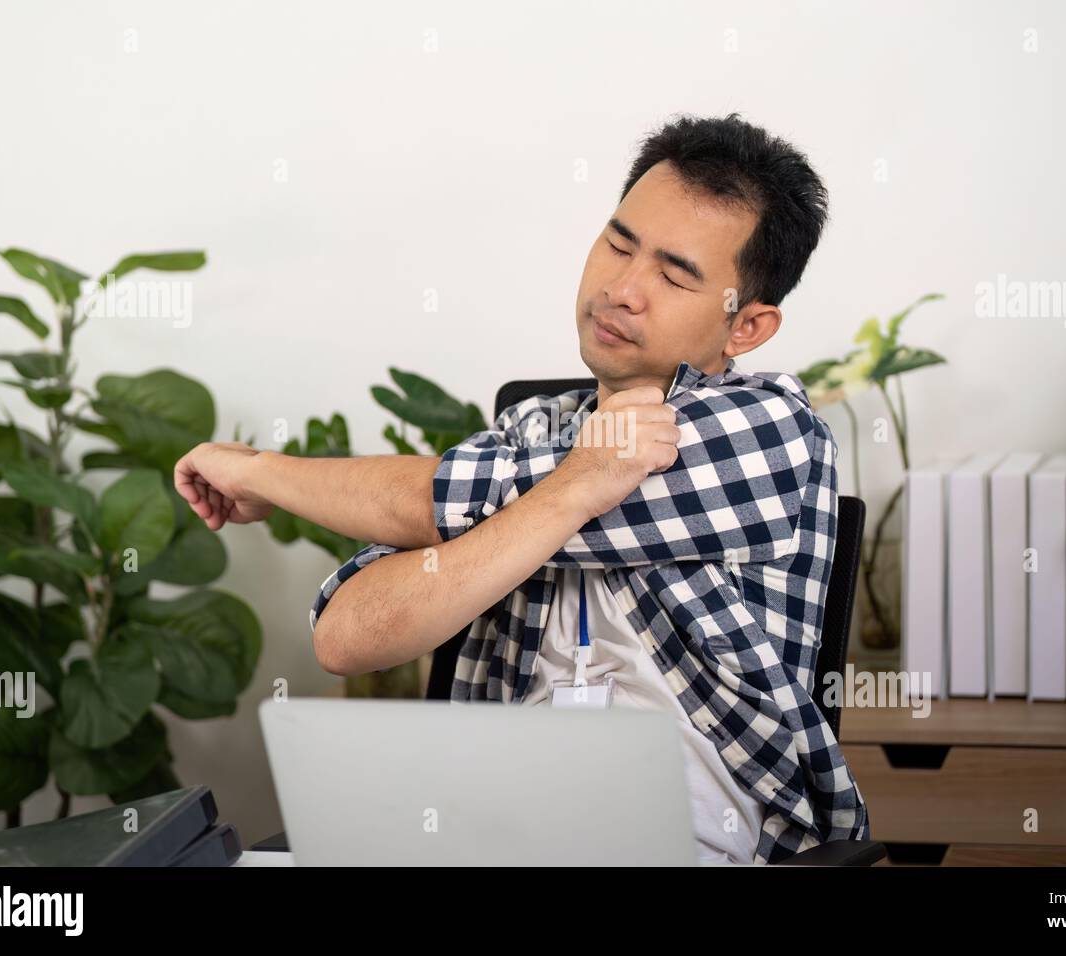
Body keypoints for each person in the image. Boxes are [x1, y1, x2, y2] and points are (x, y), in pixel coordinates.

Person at [174, 112, 869, 864]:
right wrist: (572, 489)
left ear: (747, 327)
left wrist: (257, 473)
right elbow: (345, 635)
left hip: (693, 835)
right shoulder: (528, 433)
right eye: (617, 243)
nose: (623, 288)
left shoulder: (767, 433)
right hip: (487, 825)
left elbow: (426, 501)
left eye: (673, 274)